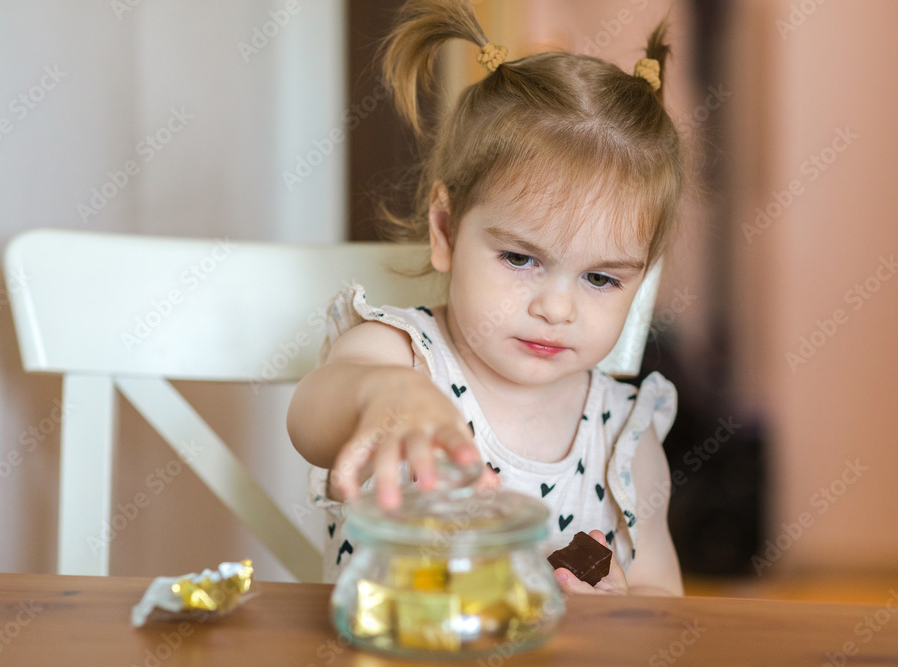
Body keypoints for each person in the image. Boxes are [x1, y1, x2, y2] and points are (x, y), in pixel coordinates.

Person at [287, 0, 684, 597]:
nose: (557, 308)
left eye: (601, 279)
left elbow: (664, 604)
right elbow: (311, 419)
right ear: (445, 231)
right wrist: (382, 394)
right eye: (521, 259)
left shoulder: (625, 438)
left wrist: (624, 613)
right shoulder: (399, 357)